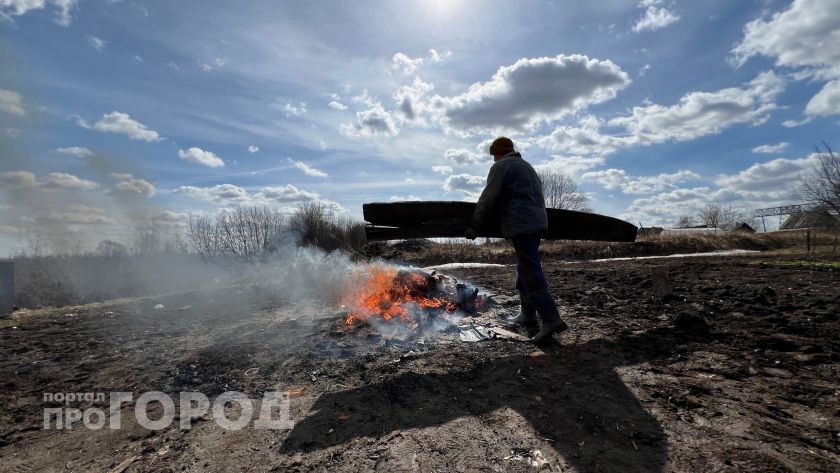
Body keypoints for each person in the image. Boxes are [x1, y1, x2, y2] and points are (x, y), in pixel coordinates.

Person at [465, 137, 567, 344]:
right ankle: (527, 314)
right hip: (536, 223)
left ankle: (551, 318)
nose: (493, 159)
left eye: (494, 155)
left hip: (521, 224)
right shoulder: (527, 167)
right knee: (525, 267)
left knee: (530, 269)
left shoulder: (501, 167)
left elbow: (488, 197)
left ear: (498, 152)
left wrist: (474, 225)